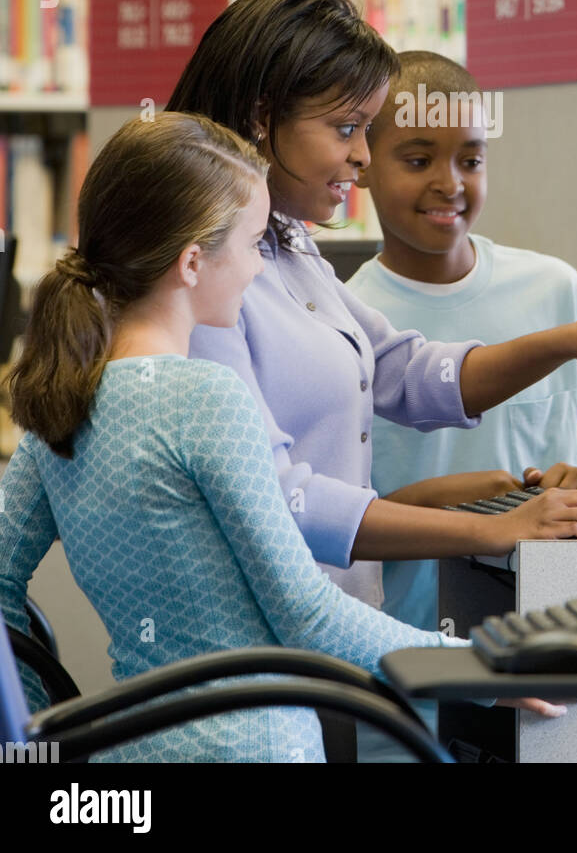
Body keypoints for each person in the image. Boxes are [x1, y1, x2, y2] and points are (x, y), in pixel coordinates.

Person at [169, 0, 577, 613]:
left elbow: (405, 371)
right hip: (278, 651)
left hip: (332, 636)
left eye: (365, 130)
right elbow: (281, 498)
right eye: (346, 130)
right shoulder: (203, 278)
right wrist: (494, 528)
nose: (360, 158)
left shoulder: (290, 248)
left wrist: (572, 340)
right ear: (262, 118)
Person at [0, 112, 490, 763]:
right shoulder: (205, 397)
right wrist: (485, 669)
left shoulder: (58, 408)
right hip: (254, 748)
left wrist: (37, 736)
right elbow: (306, 616)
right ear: (194, 261)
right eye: (255, 244)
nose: (262, 271)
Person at [346, 50, 577, 759]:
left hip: (550, 677)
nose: (449, 183)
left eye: (471, 160)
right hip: (406, 692)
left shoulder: (561, 296)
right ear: (362, 163)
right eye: (417, 159)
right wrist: (474, 511)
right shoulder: (344, 320)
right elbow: (332, 530)